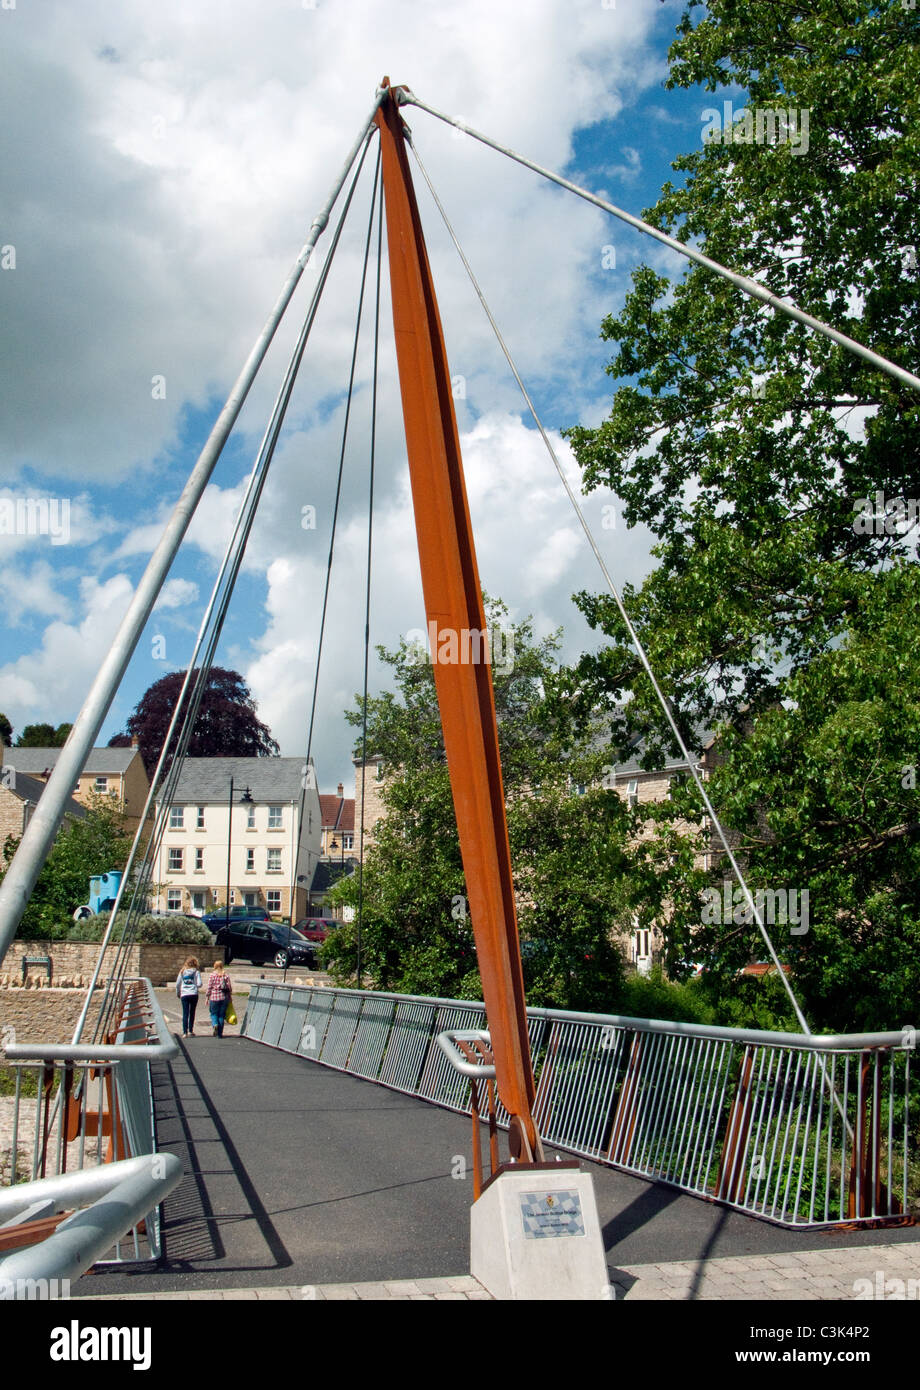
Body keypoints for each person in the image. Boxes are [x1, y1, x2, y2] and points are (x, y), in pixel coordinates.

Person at [206, 959, 233, 1038]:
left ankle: (215, 1024)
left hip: (214, 997)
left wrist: (207, 997)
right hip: (224, 997)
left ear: (215, 966)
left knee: (214, 1013)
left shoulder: (212, 975)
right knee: (221, 1015)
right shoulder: (226, 975)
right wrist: (230, 997)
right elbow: (229, 988)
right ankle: (220, 1034)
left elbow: (209, 987)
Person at [175, 957, 202, 1037]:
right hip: (193, 994)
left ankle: (184, 1032)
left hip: (184, 994)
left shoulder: (182, 971)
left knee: (185, 1013)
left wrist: (178, 992)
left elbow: (177, 984)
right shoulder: (196, 972)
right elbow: (199, 984)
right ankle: (190, 1030)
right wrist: (195, 986)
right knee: (192, 1012)